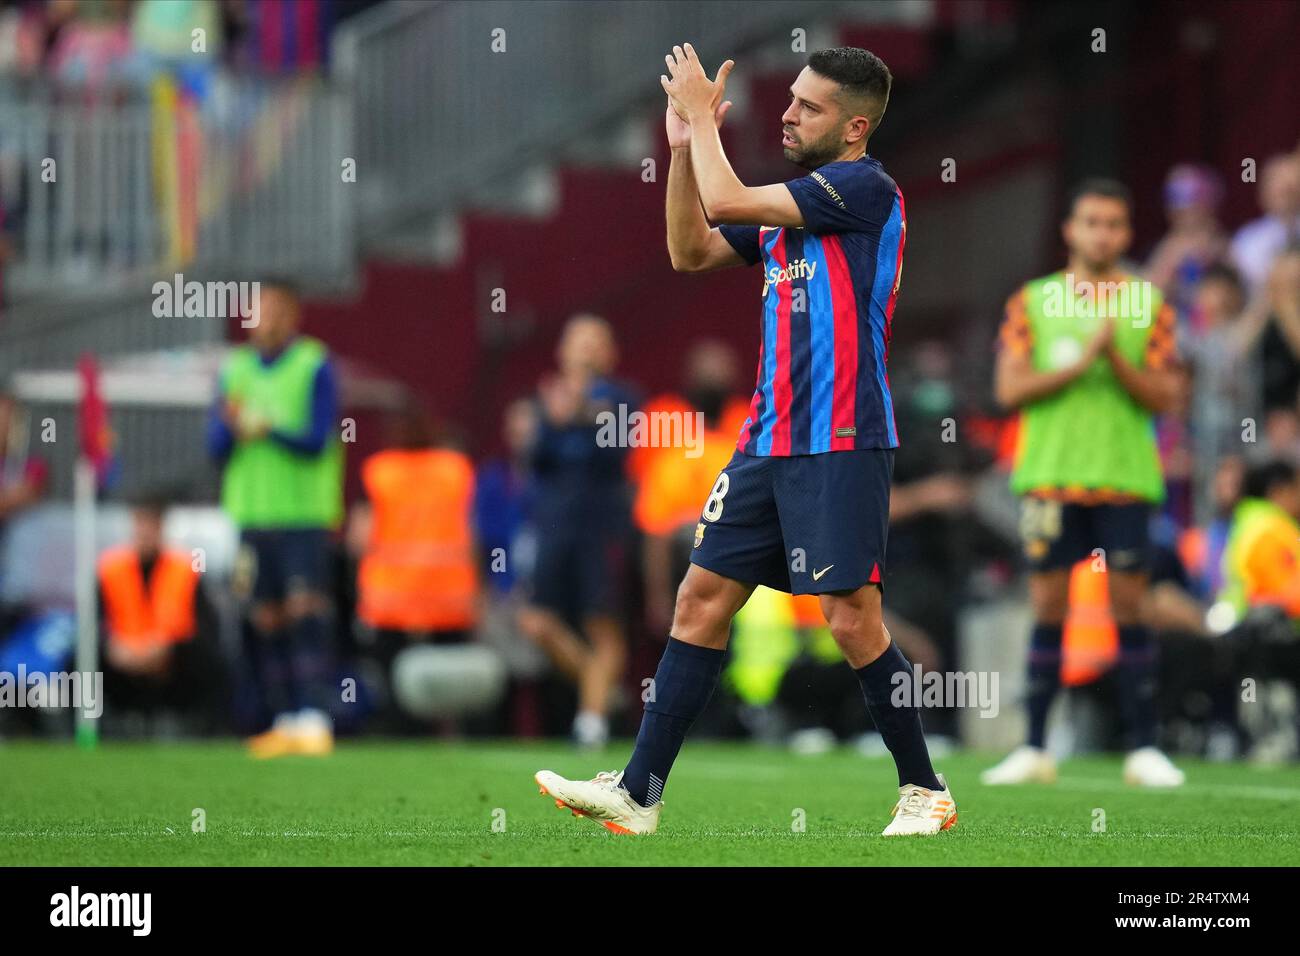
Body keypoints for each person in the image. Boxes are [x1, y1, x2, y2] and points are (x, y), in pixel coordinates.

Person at [536, 46, 956, 837]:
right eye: (791, 99)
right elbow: (689, 248)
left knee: (851, 620)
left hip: (840, 439)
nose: (790, 113)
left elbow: (724, 203)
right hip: (767, 442)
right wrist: (684, 150)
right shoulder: (795, 208)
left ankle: (925, 790)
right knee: (699, 601)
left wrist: (702, 119)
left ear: (856, 126)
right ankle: (638, 791)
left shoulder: (863, 189)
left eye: (810, 107)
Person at [983, 179, 1186, 788]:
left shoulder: (1150, 305)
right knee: (1048, 606)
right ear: (1070, 230)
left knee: (1131, 608)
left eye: (1114, 224)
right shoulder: (1033, 302)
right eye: (1091, 222)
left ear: (1126, 234)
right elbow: (1008, 390)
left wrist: (1113, 358)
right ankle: (1036, 747)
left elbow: (1169, 396)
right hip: (1049, 475)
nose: (1102, 234)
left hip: (1123, 475)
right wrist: (1079, 363)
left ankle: (1144, 748)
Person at [207, 278, 343, 758]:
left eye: (271, 310)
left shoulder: (314, 364)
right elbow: (215, 447)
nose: (261, 320)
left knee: (305, 611)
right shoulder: (234, 370)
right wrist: (231, 429)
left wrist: (268, 429)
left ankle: (315, 714)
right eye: (255, 311)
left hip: (302, 514)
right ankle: (283, 715)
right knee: (263, 617)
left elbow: (316, 440)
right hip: (252, 514)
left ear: (292, 316)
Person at [516, 314, 638, 749]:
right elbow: (534, 459)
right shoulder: (543, 401)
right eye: (578, 340)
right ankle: (601, 685)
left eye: (595, 341)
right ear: (562, 351)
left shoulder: (624, 398)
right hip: (552, 524)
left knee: (601, 622)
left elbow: (616, 450)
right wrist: (546, 421)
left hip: (600, 526)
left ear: (610, 353)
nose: (586, 349)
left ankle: (591, 718)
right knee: (537, 620)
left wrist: (579, 409)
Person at [352, 399, 481, 732]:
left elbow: (359, 537)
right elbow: (473, 533)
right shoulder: (456, 470)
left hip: (389, 598)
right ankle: (450, 733)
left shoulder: (379, 471)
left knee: (394, 684)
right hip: (448, 598)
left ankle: (398, 732)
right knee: (450, 685)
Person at [98, 496, 223, 733]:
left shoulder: (185, 568)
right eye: (140, 523)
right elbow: (96, 622)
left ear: (161, 528)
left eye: (151, 524)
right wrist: (113, 647)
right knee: (82, 659)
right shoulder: (111, 567)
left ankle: (203, 728)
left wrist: (168, 647)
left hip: (172, 660)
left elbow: (205, 625)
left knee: (208, 660)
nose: (145, 532)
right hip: (123, 657)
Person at [1229, 154, 1300, 296]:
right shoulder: (1247, 239)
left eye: (1289, 189)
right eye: (1277, 189)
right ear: (1263, 192)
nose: (1284, 194)